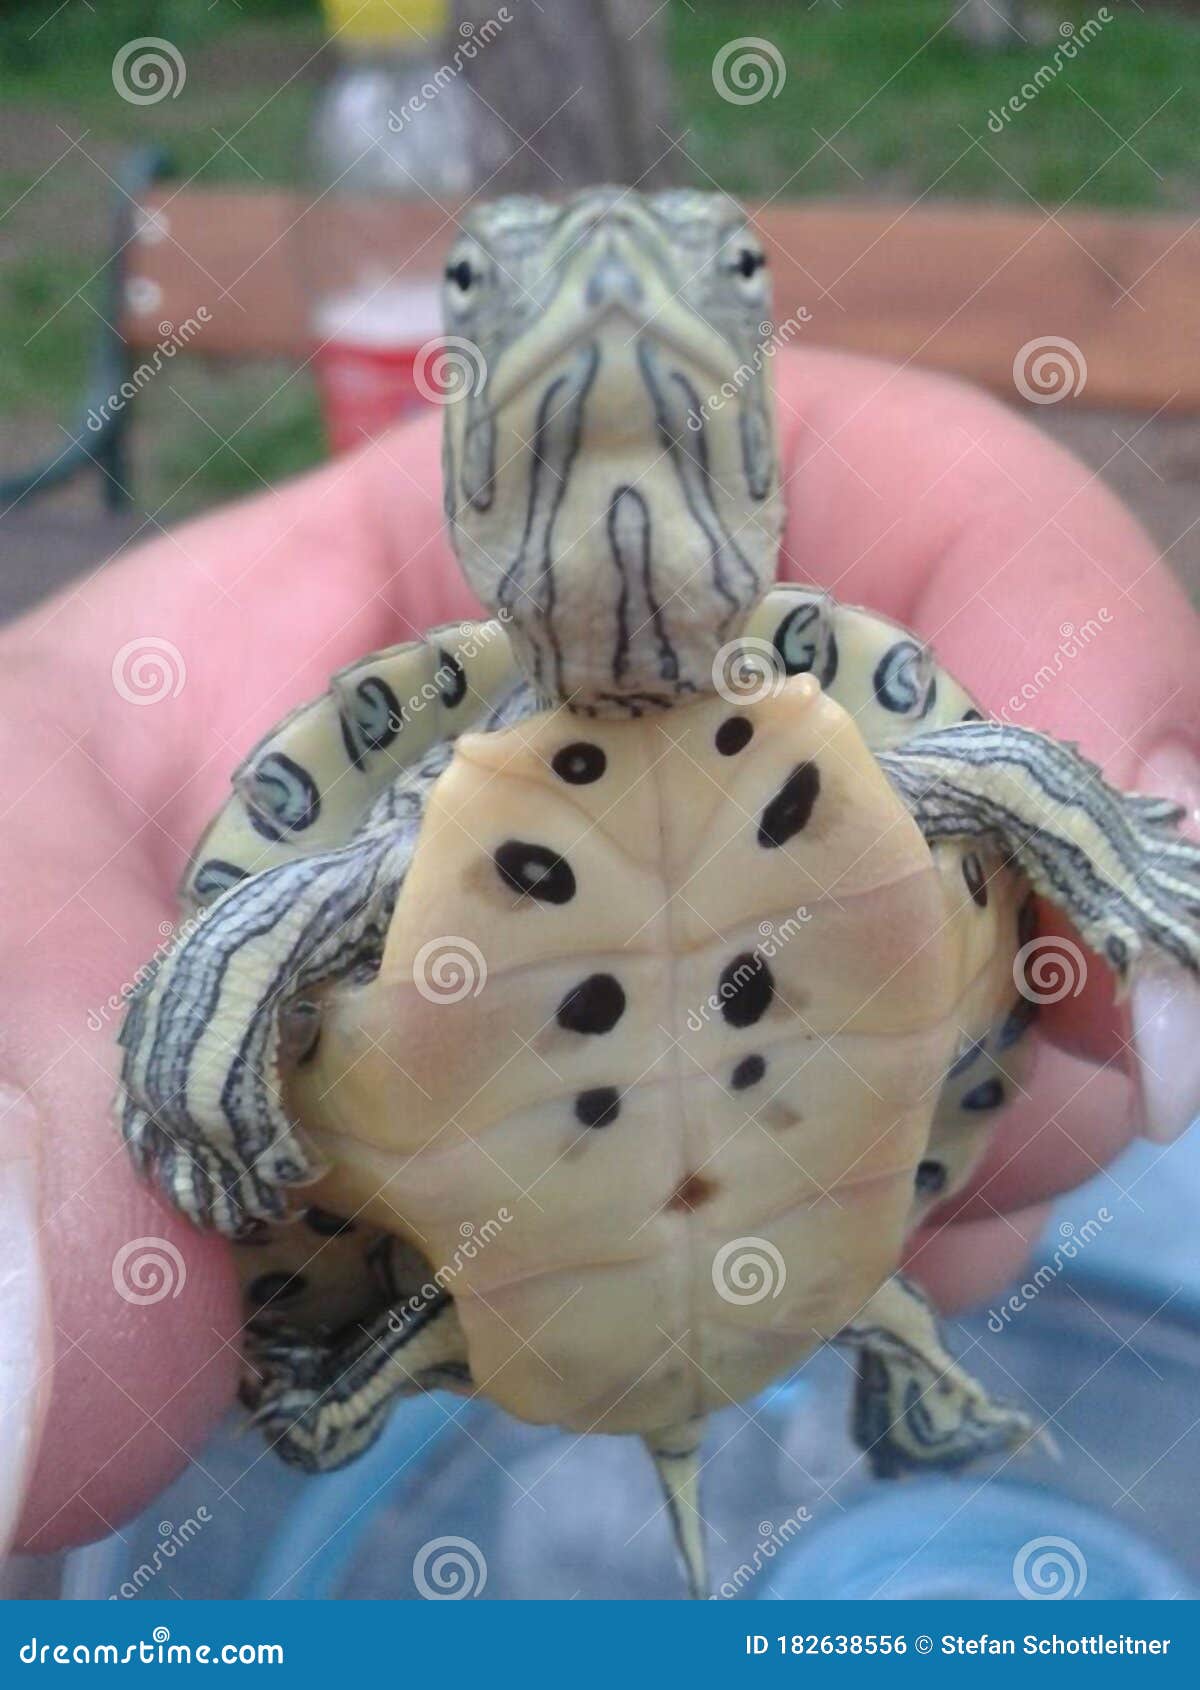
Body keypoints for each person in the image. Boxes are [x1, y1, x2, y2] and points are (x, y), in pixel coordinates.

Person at [3, 349, 1197, 1558]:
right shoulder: (391, 857)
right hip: (484, 1275)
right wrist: (200, 1095)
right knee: (281, 1378)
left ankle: (891, 1366)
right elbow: (253, 942)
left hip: (782, 1226)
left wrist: (1120, 860)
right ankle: (897, 1373)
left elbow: (1006, 778)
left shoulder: (875, 764)